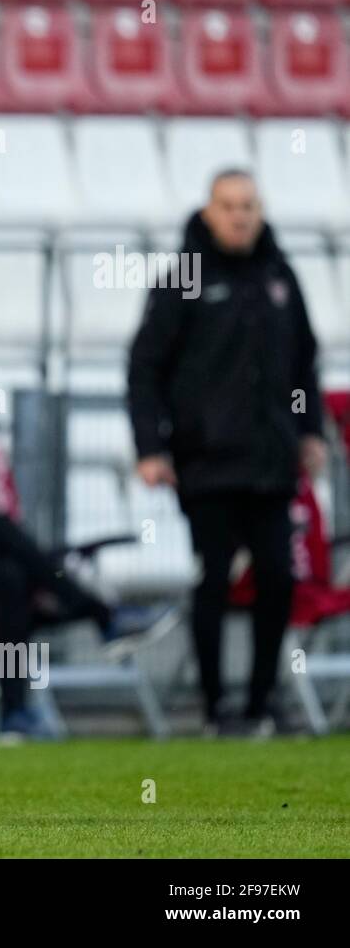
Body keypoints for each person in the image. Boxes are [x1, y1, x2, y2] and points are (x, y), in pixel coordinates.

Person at [128, 168, 327, 736]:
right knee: (212, 579)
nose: (240, 216)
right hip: (206, 461)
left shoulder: (280, 276)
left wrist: (309, 430)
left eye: (249, 205)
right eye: (229, 206)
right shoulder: (183, 278)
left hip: (271, 461)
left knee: (277, 578)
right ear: (209, 212)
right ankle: (217, 707)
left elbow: (304, 364)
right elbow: (144, 369)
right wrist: (151, 448)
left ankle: (264, 701)